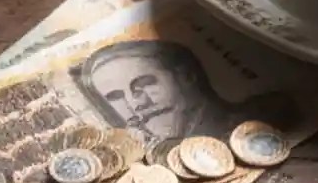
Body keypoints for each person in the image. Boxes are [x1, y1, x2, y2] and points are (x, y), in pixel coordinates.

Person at [75, 39, 298, 143]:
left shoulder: (260, 123)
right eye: (116, 98)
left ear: (186, 77)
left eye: (144, 84)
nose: (136, 104)